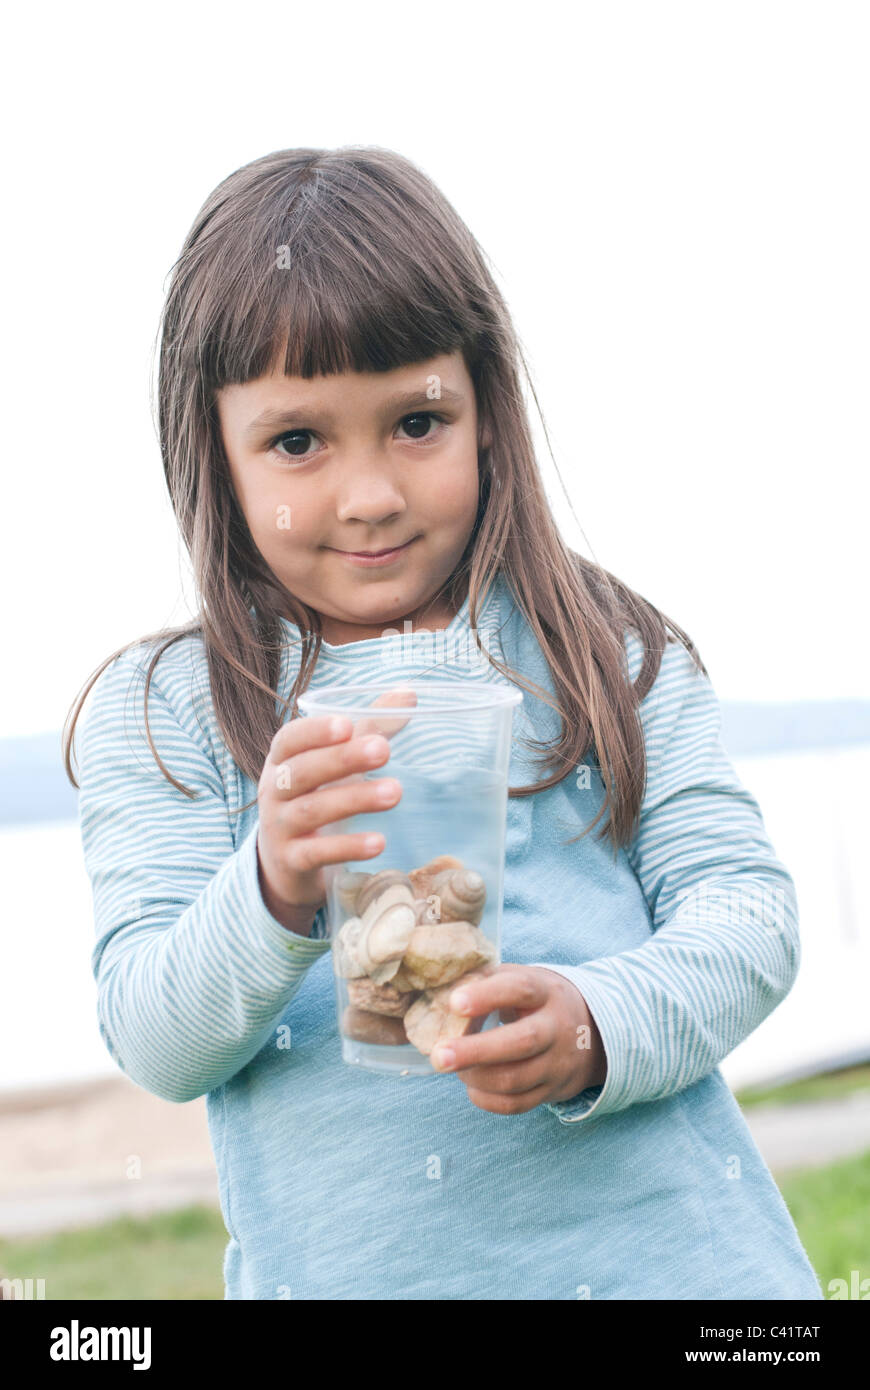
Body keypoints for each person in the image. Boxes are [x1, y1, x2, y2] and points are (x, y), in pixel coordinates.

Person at [63, 146, 823, 1301]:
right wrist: (271, 883)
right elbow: (157, 1037)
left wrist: (598, 1022)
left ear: (484, 410)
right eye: (298, 442)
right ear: (212, 449)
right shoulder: (168, 712)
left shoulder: (605, 648)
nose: (369, 493)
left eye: (416, 421)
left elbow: (749, 916)